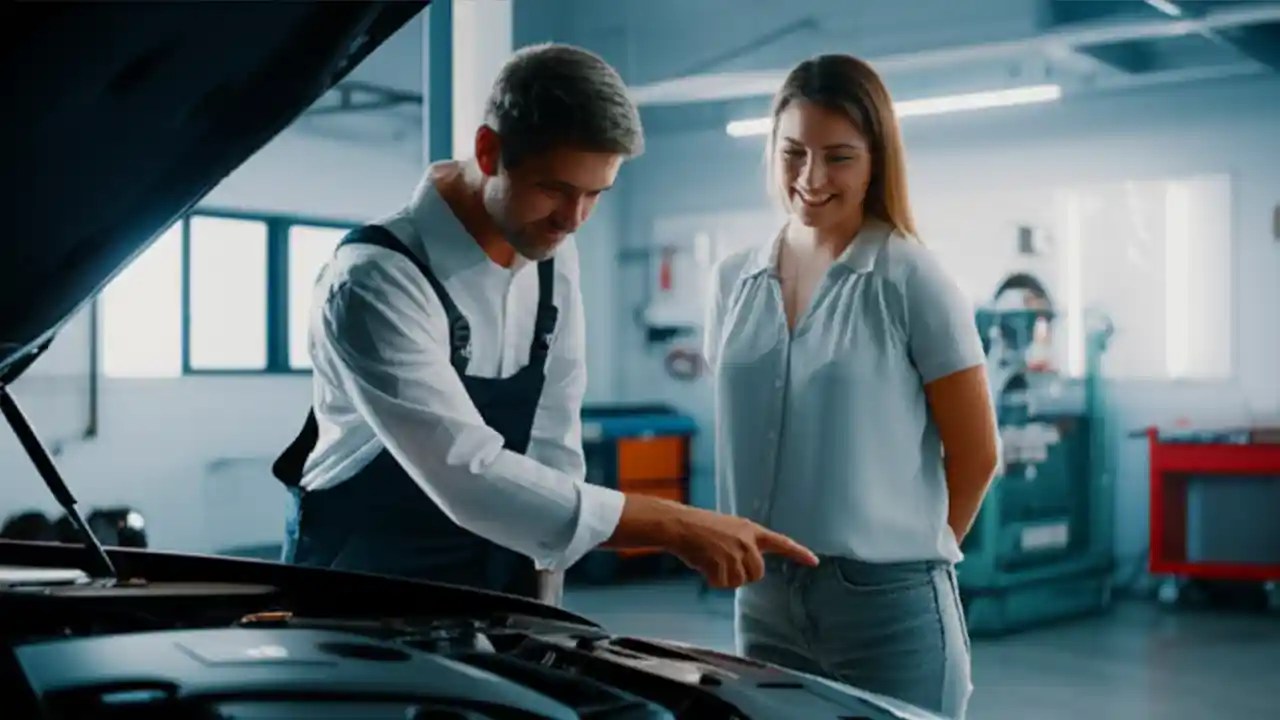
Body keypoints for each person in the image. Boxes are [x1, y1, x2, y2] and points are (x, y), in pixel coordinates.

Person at [272, 43, 817, 605]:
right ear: (489, 151)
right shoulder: (375, 280)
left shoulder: (552, 254)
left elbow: (554, 442)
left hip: (488, 582)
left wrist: (547, 611)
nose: (573, 218)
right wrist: (672, 524)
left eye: (595, 194)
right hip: (355, 582)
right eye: (554, 188)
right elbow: (467, 474)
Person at [702, 54, 999, 719]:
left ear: (875, 161)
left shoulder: (911, 278)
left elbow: (977, 456)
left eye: (838, 156)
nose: (811, 178)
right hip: (764, 597)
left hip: (888, 608)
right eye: (794, 152)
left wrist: (903, 558)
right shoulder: (732, 280)